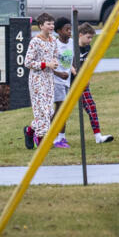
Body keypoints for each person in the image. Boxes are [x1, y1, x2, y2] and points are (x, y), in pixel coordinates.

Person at [23, 13, 59, 149]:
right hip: (37, 79)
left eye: (52, 23)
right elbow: (28, 62)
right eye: (48, 24)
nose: (52, 26)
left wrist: (54, 62)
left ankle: (30, 130)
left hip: (49, 78)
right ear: (41, 26)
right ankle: (41, 139)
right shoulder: (35, 41)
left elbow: (55, 56)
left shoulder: (54, 40)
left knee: (49, 111)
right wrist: (45, 64)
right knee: (41, 110)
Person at [75, 23, 114, 144]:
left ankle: (98, 137)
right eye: (88, 37)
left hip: (82, 83)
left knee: (91, 107)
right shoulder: (71, 47)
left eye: (92, 38)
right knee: (60, 112)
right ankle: (58, 137)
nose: (90, 40)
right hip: (68, 82)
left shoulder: (88, 48)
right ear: (80, 35)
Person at [50, 17, 74, 148]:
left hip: (67, 81)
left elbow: (72, 61)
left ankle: (60, 137)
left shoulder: (71, 43)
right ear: (59, 31)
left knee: (62, 110)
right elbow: (49, 65)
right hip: (56, 81)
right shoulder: (54, 45)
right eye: (67, 29)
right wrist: (59, 73)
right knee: (61, 109)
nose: (69, 32)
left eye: (70, 29)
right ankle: (53, 138)